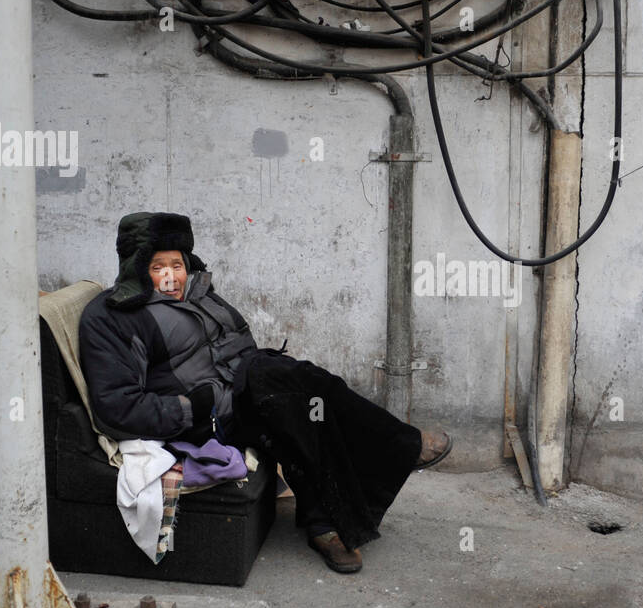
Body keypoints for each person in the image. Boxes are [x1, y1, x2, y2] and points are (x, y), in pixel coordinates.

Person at [78, 211, 452, 573]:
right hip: (201, 419)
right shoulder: (113, 318)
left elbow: (238, 342)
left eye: (177, 264)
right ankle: (400, 444)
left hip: (237, 391)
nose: (172, 277)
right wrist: (195, 407)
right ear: (135, 266)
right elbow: (117, 408)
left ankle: (325, 525)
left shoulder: (199, 293)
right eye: (158, 267)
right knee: (288, 383)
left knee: (303, 398)